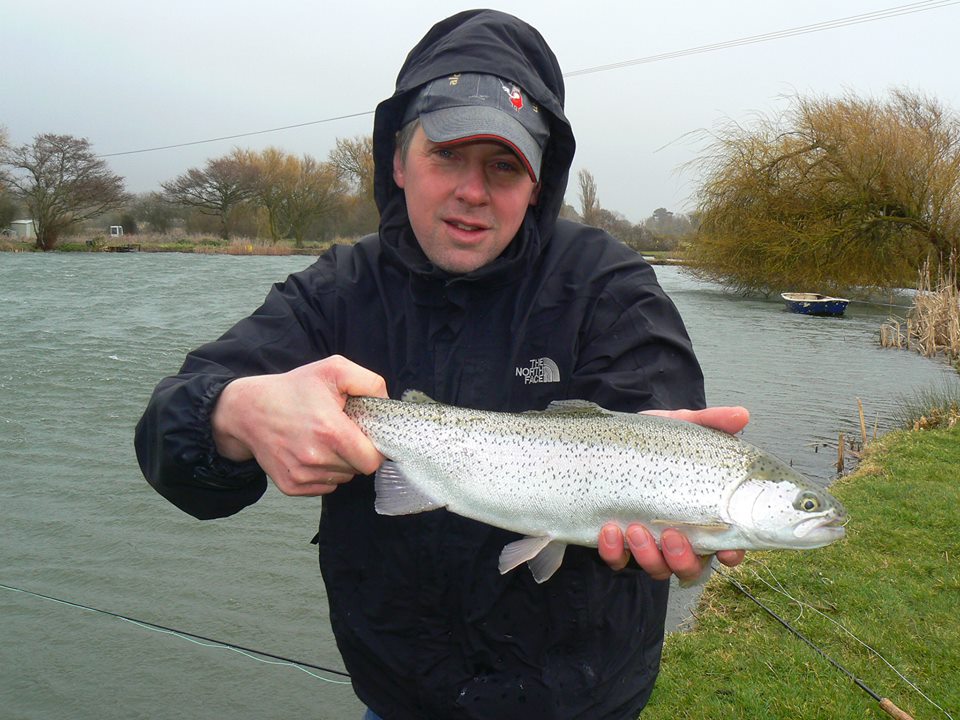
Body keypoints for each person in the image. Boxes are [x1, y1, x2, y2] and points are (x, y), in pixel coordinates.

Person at [135, 9, 746, 719]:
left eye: (504, 165)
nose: (472, 191)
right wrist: (234, 414)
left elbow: (657, 412)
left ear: (540, 181)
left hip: (579, 700)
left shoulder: (612, 287)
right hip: (399, 696)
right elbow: (167, 436)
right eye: (447, 155)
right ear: (398, 162)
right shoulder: (336, 291)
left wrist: (666, 479)